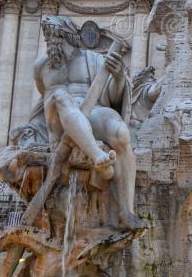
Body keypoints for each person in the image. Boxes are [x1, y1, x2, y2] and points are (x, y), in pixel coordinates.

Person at [30, 16, 143, 230]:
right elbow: (44, 99)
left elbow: (112, 96)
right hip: (61, 118)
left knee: (121, 134)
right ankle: (98, 156)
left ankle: (126, 211)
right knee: (60, 96)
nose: (53, 44)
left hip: (92, 111)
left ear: (71, 37)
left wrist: (119, 77)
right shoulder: (41, 67)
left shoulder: (93, 59)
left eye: (58, 38)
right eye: (50, 39)